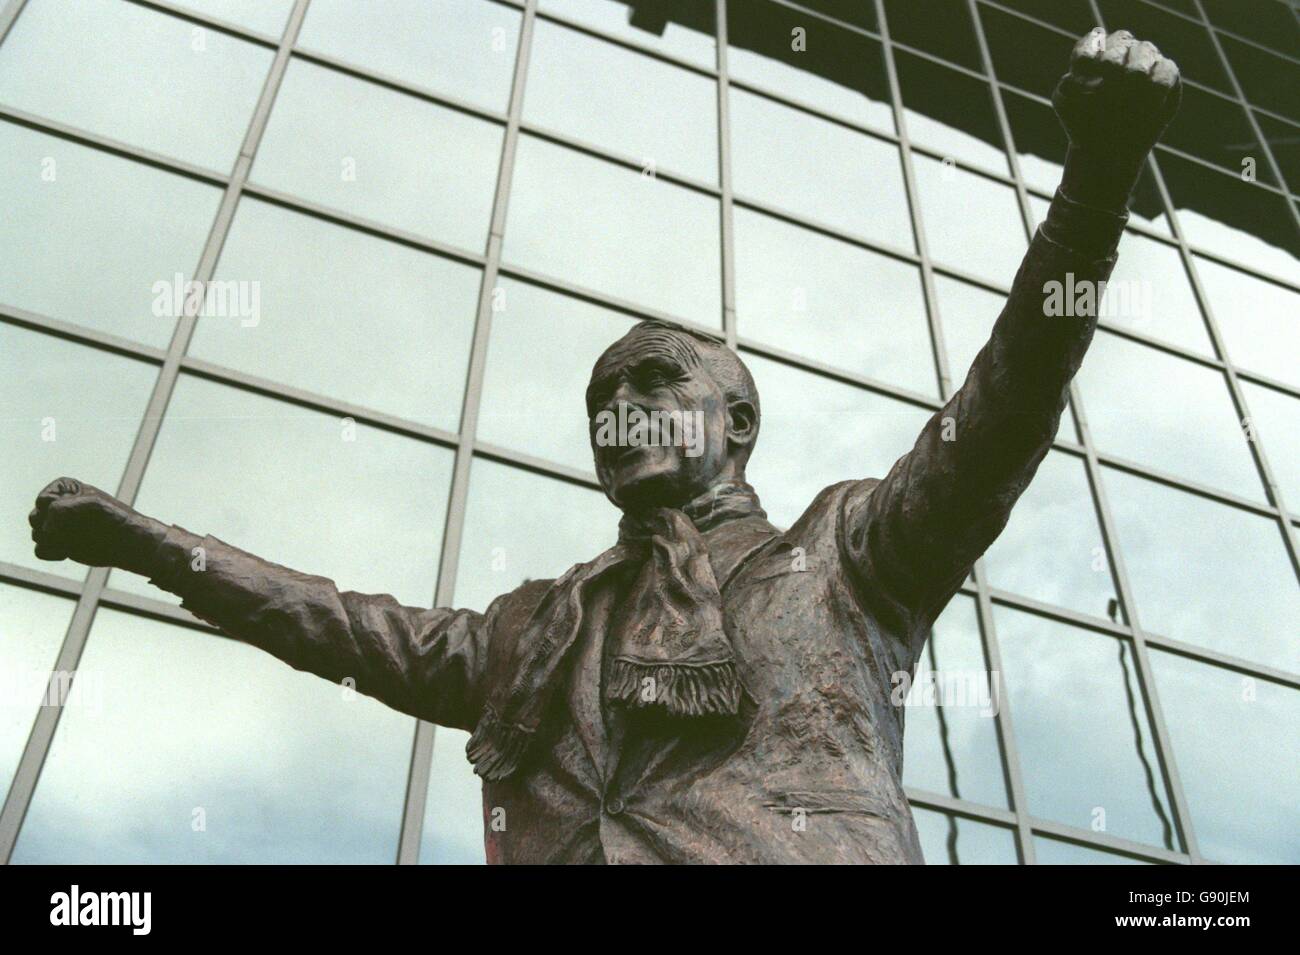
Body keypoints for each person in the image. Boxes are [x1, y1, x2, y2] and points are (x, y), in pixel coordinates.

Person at [29, 29, 1181, 863]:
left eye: (653, 379)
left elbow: (1006, 402)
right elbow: (343, 624)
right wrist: (155, 546)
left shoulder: (848, 555)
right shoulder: (538, 624)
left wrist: (1096, 182)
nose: (619, 407)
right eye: (600, 395)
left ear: (736, 423)